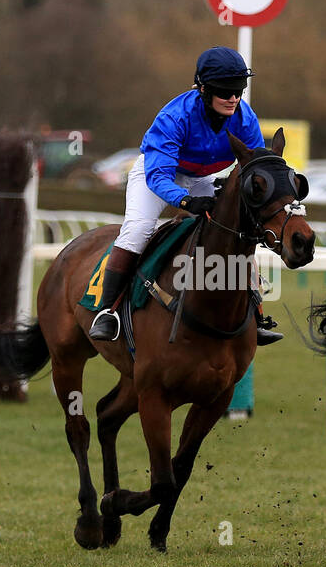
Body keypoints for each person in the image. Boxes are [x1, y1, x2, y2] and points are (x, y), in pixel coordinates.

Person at [88, 46, 282, 345]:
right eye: (225, 91)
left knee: (237, 233)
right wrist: (186, 201)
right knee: (139, 228)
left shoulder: (245, 118)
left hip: (201, 177)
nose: (233, 98)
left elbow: (253, 165)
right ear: (203, 89)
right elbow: (158, 176)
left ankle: (255, 315)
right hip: (156, 174)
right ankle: (107, 311)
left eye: (238, 91)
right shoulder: (174, 117)